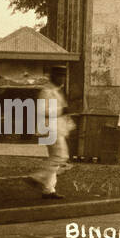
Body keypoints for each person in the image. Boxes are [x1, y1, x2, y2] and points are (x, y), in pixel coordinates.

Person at [27, 69, 73, 200]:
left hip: (56, 128)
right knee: (61, 156)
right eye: (59, 76)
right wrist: (61, 110)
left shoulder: (56, 91)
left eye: (63, 77)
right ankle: (38, 177)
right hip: (50, 128)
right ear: (53, 77)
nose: (62, 80)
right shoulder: (46, 91)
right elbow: (42, 110)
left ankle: (49, 190)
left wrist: (67, 123)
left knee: (55, 158)